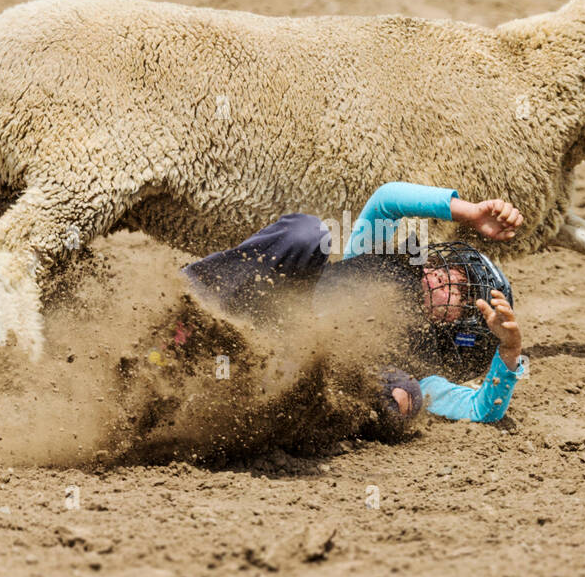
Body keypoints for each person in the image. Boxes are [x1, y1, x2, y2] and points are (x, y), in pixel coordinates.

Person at [179, 183, 527, 430]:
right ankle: (185, 301)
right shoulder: (376, 256)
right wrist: (468, 212)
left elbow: (481, 408)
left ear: (461, 326)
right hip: (253, 307)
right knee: (309, 232)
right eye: (451, 269)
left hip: (281, 376)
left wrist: (509, 350)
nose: (444, 277)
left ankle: (238, 412)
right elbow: (388, 199)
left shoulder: (427, 365)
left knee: (407, 397)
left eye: (463, 291)